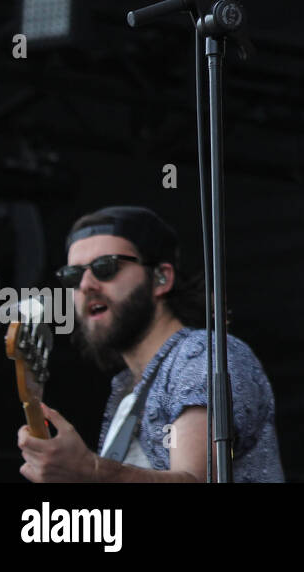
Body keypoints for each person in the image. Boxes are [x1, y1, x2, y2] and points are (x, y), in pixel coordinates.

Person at [17, 205, 283, 482]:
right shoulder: (125, 388)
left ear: (161, 278)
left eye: (105, 267)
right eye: (73, 275)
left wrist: (91, 470)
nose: (86, 285)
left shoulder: (200, 355)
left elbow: (197, 480)